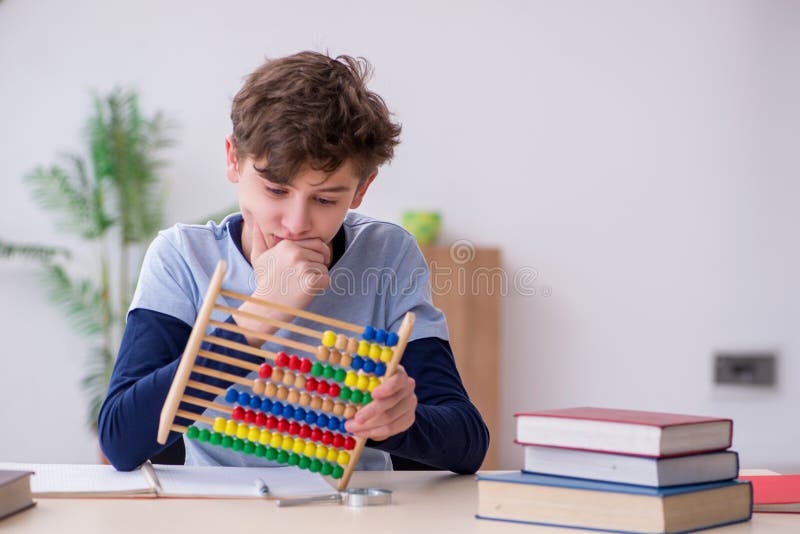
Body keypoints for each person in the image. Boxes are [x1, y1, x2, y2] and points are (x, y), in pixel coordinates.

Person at [98, 51, 489, 474]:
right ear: (234, 160)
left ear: (361, 190)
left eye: (325, 199)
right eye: (275, 190)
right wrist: (260, 313)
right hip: (219, 510)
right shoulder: (183, 257)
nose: (297, 224)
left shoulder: (387, 255)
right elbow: (121, 440)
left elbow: (468, 443)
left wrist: (401, 424)